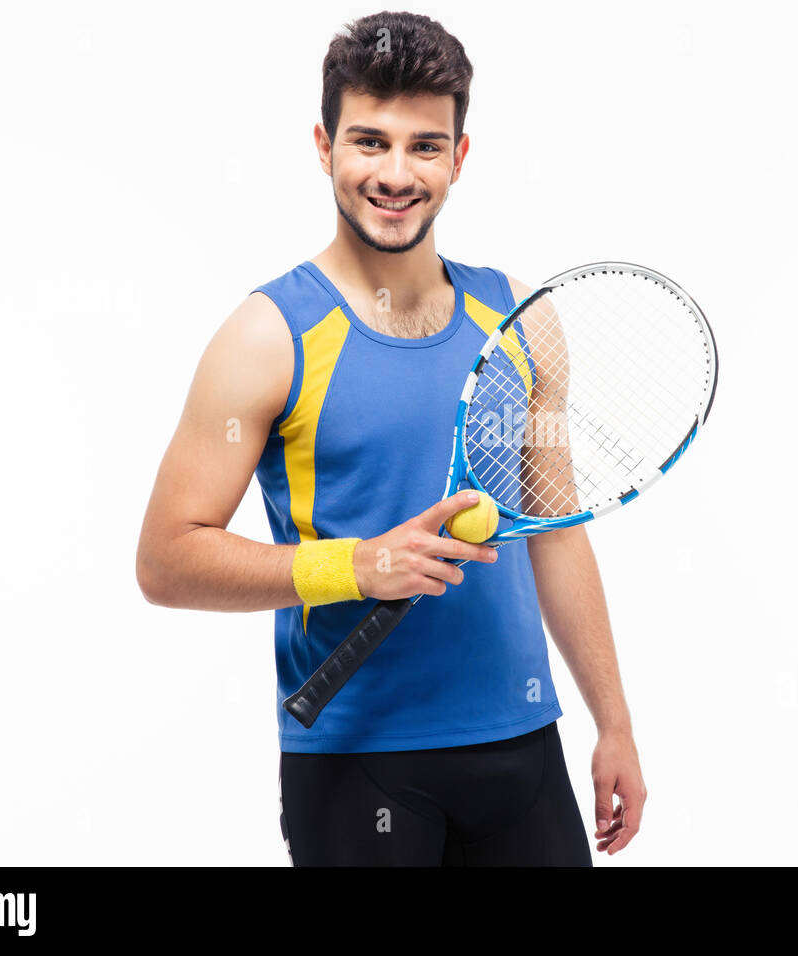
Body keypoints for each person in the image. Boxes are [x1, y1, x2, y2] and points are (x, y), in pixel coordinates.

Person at [136, 10, 645, 866]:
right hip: (354, 763)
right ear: (324, 144)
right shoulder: (267, 337)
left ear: (460, 155)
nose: (396, 174)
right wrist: (355, 566)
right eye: (369, 142)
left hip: (524, 749)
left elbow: (554, 530)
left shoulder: (521, 321)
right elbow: (165, 560)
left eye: (424, 146)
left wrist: (615, 722)